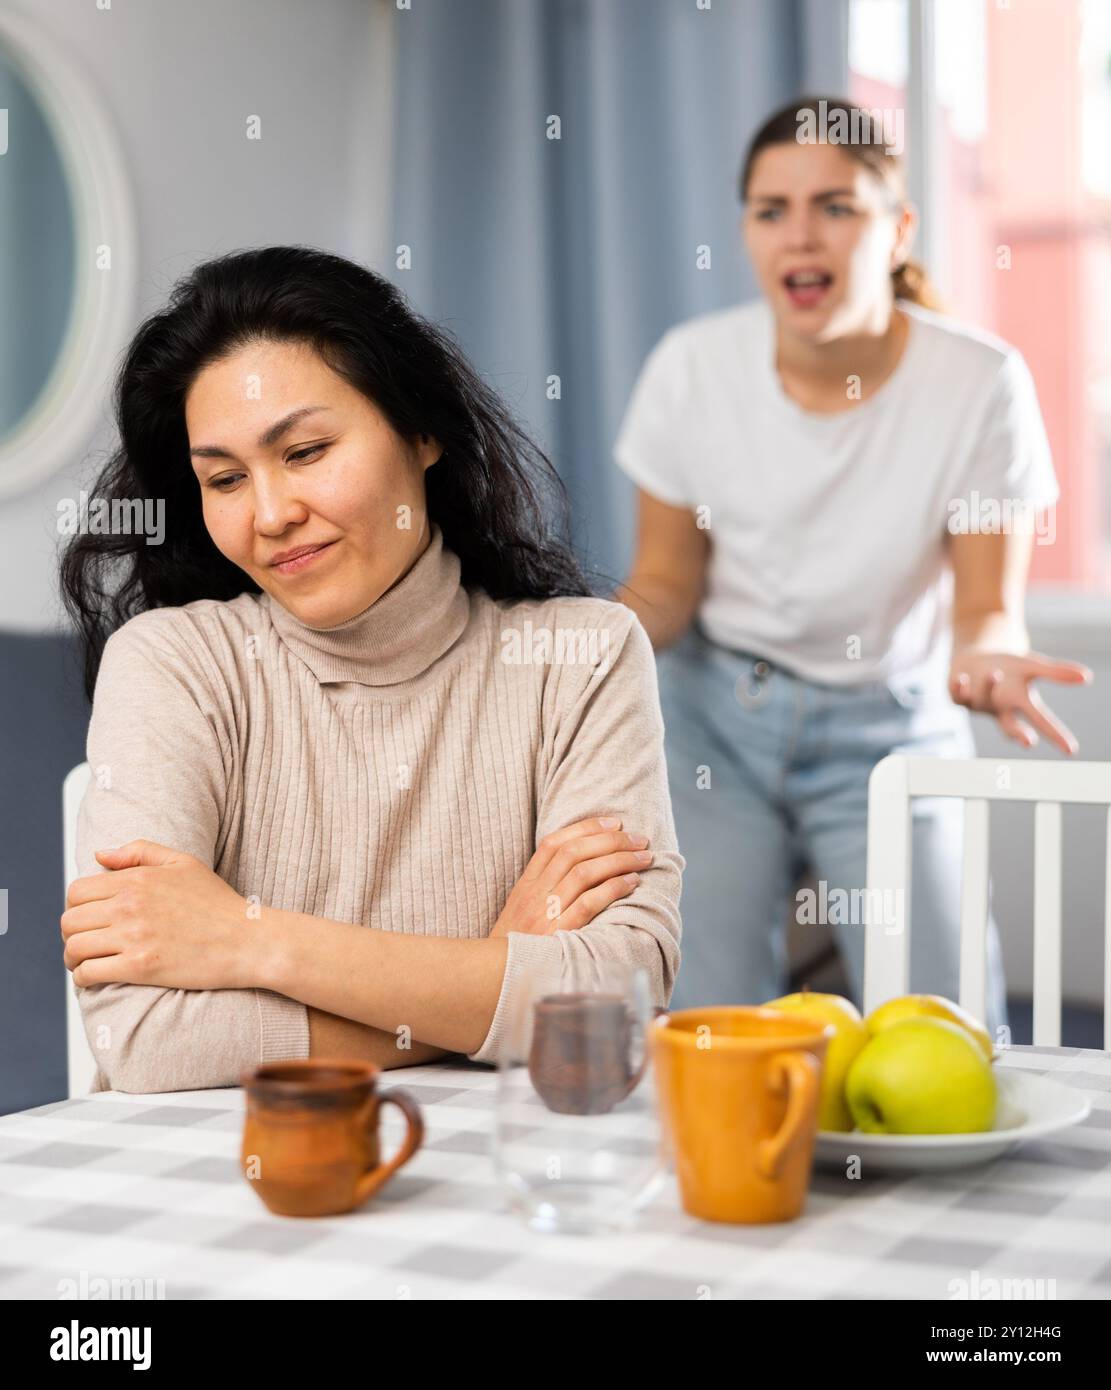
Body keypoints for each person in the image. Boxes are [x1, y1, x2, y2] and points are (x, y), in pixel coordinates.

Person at [59, 246, 682, 1093]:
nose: (272, 514)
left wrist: (250, 938)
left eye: (307, 451)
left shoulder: (583, 656)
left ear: (421, 429)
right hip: (225, 1185)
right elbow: (146, 1040)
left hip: (492, 1178)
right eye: (226, 478)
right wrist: (491, 982)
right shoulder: (174, 664)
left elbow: (616, 997)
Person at [613, 98, 1090, 1040]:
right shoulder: (690, 369)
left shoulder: (979, 383)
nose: (801, 234)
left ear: (897, 228)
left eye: (836, 205)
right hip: (715, 721)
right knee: (712, 1031)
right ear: (745, 229)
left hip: (891, 727)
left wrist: (986, 659)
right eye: (770, 209)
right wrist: (578, 643)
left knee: (945, 1030)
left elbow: (986, 609)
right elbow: (664, 585)